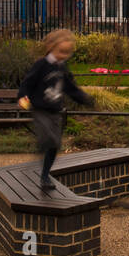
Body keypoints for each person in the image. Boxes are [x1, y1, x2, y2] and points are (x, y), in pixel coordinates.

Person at [17, 29, 93, 191]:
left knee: (55, 144)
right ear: (51, 47)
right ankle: (41, 146)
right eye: (61, 52)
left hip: (55, 110)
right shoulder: (41, 65)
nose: (64, 56)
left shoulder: (62, 67)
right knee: (49, 138)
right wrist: (23, 96)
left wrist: (84, 99)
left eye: (67, 53)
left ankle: (45, 176)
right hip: (40, 109)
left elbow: (71, 88)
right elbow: (27, 83)